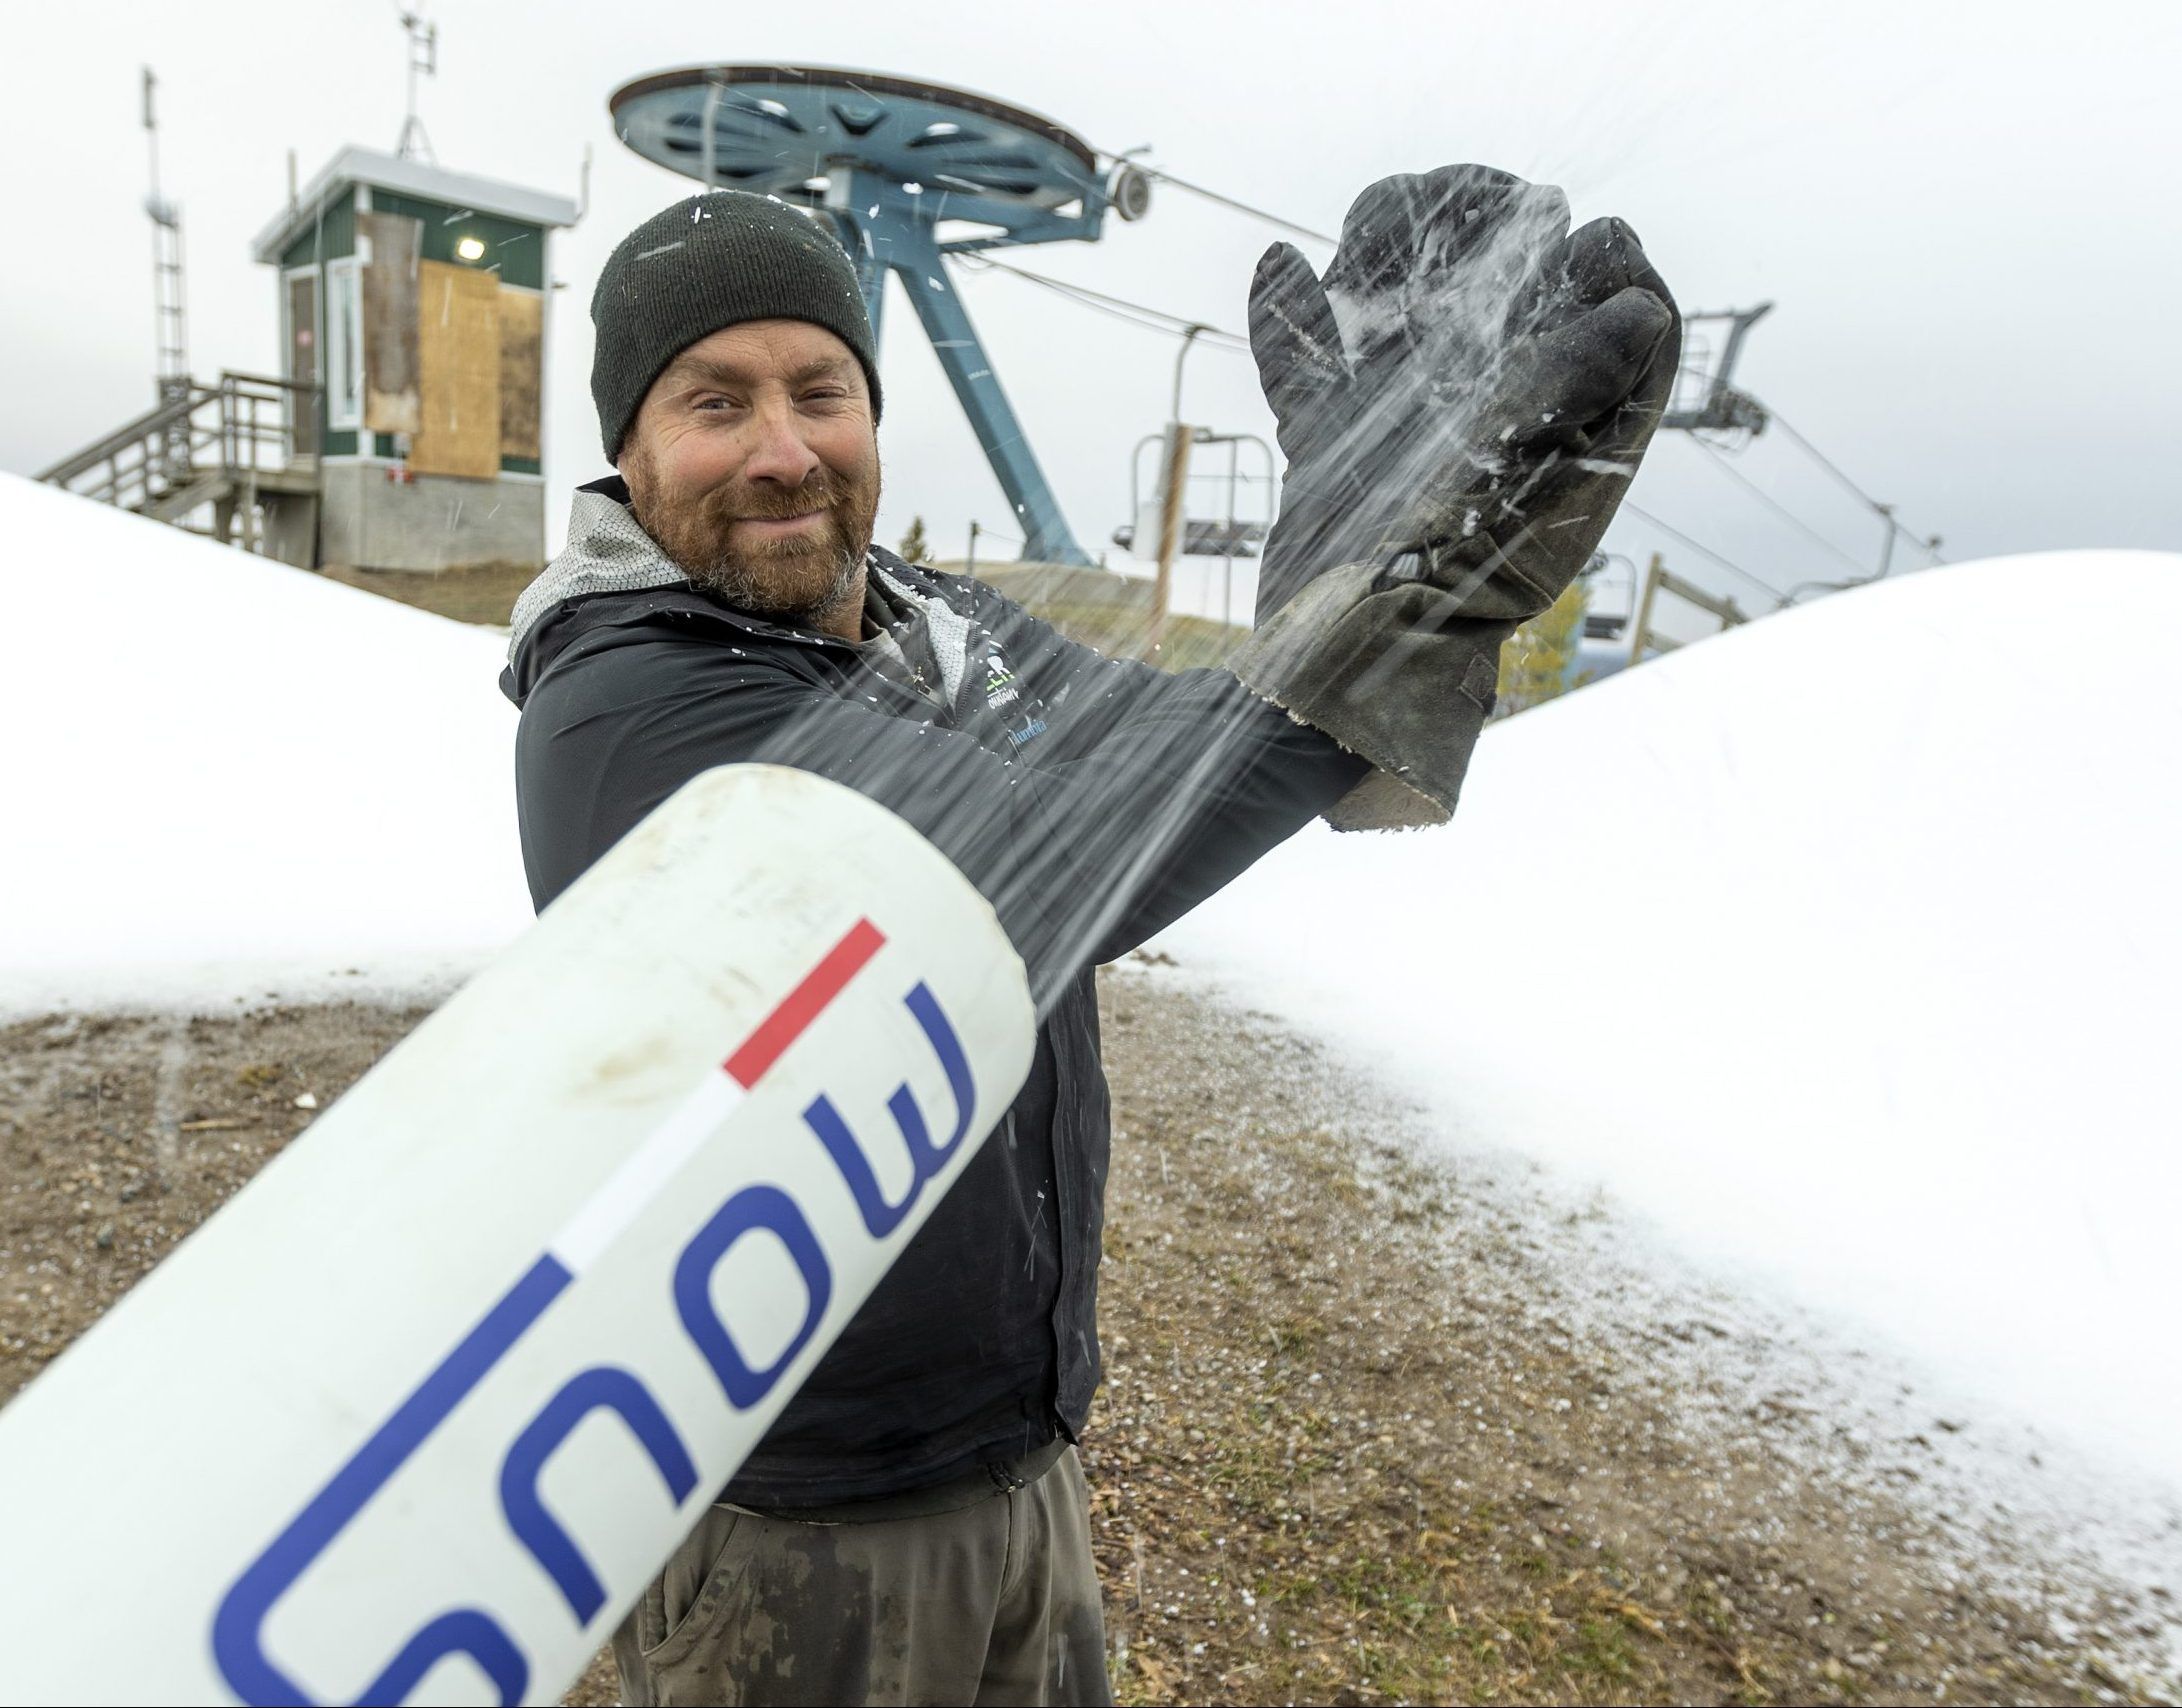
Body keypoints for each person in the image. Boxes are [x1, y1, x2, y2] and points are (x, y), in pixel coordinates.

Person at [503, 169, 1675, 1707]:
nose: (784, 452)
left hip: (1020, 1445)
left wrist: (1357, 574)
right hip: (797, 1515)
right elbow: (1039, 872)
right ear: (628, 448)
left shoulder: (929, 621)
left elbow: (1172, 741)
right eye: (714, 403)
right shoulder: (629, 706)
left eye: (821, 391)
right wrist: (1411, 593)